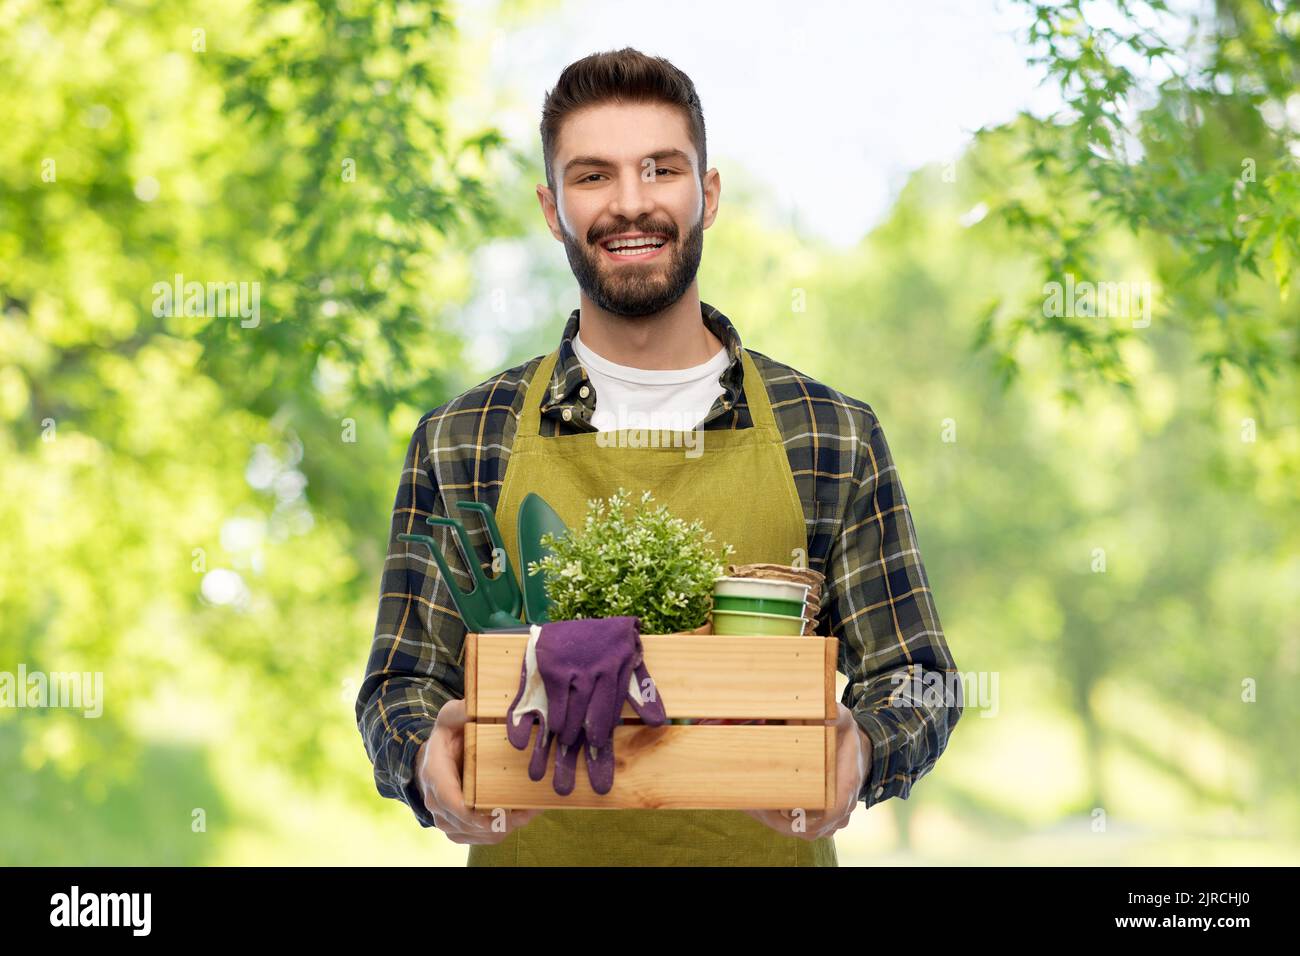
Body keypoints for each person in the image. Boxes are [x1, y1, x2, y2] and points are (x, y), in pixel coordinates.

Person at [355, 47, 962, 866]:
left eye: (661, 169)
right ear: (551, 207)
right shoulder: (466, 438)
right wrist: (426, 755)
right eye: (593, 176)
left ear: (706, 195)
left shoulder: (830, 433)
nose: (630, 205)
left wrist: (862, 751)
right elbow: (399, 688)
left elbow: (920, 679)